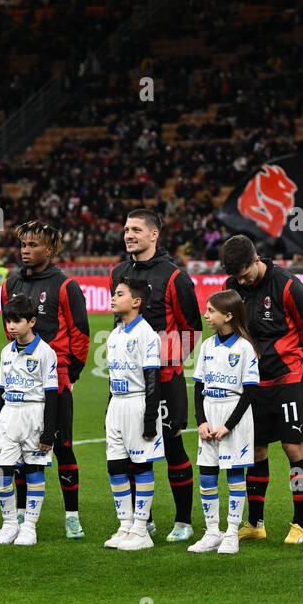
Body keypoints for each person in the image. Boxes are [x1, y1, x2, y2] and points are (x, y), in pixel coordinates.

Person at [221, 234, 303, 545]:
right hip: (253, 383)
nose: (242, 279)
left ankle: (299, 524)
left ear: (257, 259)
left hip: (287, 380)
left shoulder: (288, 286)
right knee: (257, 450)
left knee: (293, 449)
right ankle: (255, 522)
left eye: (245, 272)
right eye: (236, 275)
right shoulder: (233, 286)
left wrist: (294, 363)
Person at [111, 209, 203, 542]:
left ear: (154, 235)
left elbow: (192, 329)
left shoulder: (174, 277)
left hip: (164, 381)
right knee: (130, 452)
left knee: (173, 447)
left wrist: (162, 361)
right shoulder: (119, 272)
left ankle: (183, 521)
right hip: (126, 386)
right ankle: (141, 520)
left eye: (136, 229)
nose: (128, 235)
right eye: (125, 229)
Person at [2, 220, 91, 539]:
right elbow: (7, 328)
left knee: (62, 445)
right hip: (18, 381)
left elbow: (80, 333)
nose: (26, 250)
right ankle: (24, 514)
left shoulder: (65, 286)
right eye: (23, 245)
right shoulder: (11, 282)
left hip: (56, 378)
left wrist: (69, 372)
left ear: (50, 250)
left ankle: (72, 516)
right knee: (21, 450)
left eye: (33, 245)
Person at [188, 290, 259, 555]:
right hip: (210, 413)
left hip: (234, 416)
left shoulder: (244, 348)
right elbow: (198, 387)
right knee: (207, 474)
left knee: (234, 475)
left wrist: (229, 425)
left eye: (210, 311)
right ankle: (211, 532)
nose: (206, 315)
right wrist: (202, 421)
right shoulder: (207, 346)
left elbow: (250, 391)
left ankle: (231, 532)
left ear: (228, 315)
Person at [0, 294, 59, 547]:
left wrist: (49, 432)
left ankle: (29, 527)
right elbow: (0, 391)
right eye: (8, 321)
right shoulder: (5, 352)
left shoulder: (45, 352)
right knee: (0, 472)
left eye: (16, 321)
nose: (10, 326)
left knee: (34, 471)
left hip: (34, 414)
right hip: (9, 415)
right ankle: (9, 524)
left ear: (31, 322)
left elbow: (52, 394)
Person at [103, 277, 163, 552]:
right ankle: (125, 524)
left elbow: (152, 378)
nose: (113, 298)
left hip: (138, 404)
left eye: (119, 294)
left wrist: (150, 417)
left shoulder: (147, 334)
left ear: (136, 301)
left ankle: (141, 528)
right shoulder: (115, 334)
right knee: (116, 466)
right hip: (117, 404)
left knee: (141, 466)